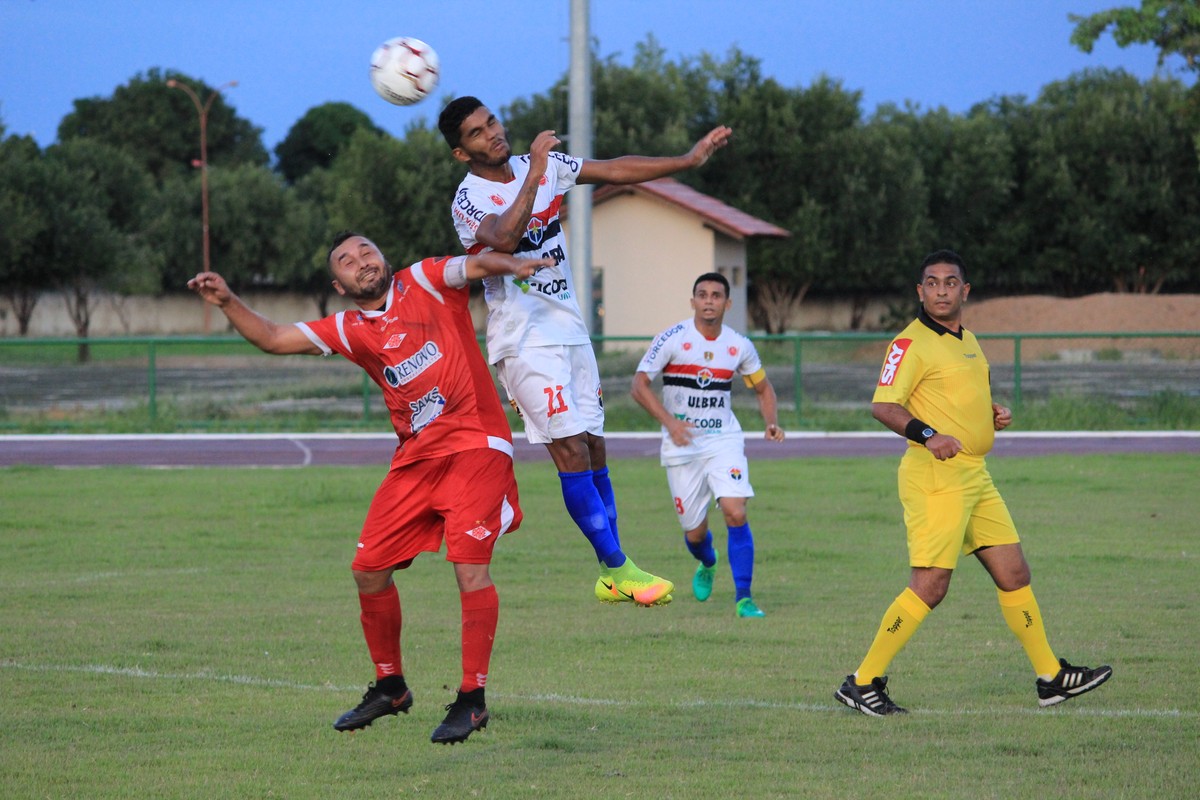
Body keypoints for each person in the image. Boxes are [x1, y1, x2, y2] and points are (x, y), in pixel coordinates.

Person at [188, 232, 554, 744]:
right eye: (346, 261)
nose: (361, 261)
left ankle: (472, 700)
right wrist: (228, 300)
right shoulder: (348, 328)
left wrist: (510, 264)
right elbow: (272, 338)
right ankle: (391, 687)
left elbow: (472, 266)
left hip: (476, 443)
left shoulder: (423, 280)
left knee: (470, 568)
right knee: (368, 570)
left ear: (383, 258)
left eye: (367, 252)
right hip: (415, 460)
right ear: (338, 286)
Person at [437, 95, 733, 607]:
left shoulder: (542, 166)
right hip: (523, 342)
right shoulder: (470, 197)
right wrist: (536, 174)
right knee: (570, 447)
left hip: (570, 331)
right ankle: (618, 568)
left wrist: (686, 161)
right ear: (462, 153)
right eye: (478, 133)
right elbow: (503, 238)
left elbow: (614, 169)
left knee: (594, 446)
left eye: (492, 122)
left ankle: (611, 573)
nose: (493, 133)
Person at [833, 249, 1113, 716]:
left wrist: (991, 413)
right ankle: (861, 682)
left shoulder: (968, 339)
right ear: (920, 291)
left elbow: (957, 397)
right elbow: (883, 405)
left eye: (950, 282)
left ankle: (1050, 677)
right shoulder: (909, 342)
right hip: (935, 477)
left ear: (965, 291)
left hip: (975, 475)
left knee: (1014, 573)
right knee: (930, 585)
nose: (941, 291)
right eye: (932, 282)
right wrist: (929, 435)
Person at [630, 272, 784, 618]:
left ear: (727, 303)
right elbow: (638, 385)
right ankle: (708, 561)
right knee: (695, 534)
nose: (709, 301)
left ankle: (744, 598)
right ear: (693, 302)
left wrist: (771, 422)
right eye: (702, 295)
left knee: (735, 510)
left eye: (716, 295)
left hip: (723, 440)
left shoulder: (739, 345)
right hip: (681, 446)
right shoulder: (672, 338)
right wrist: (670, 423)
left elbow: (763, 388)